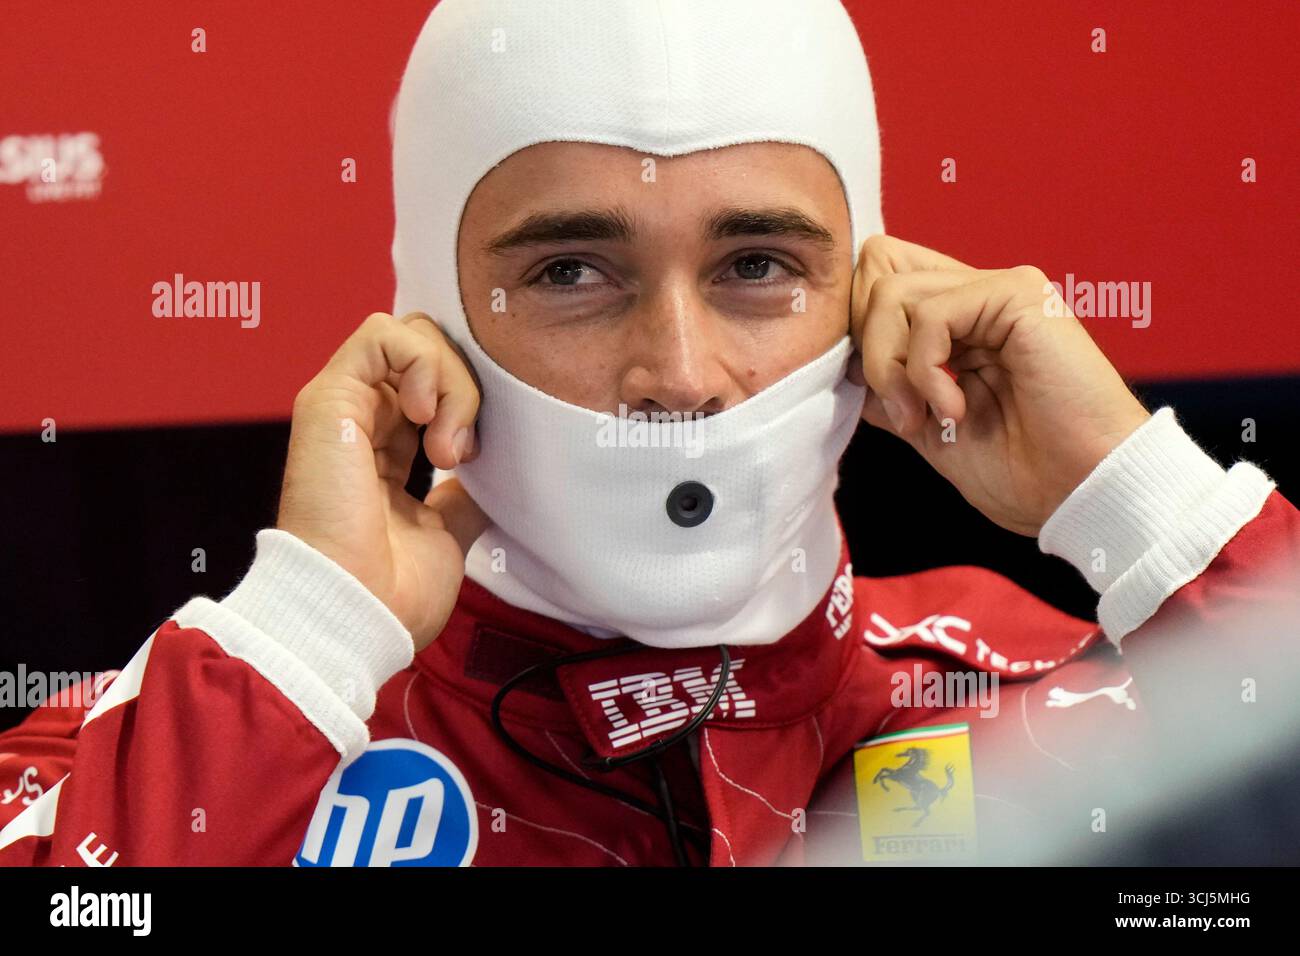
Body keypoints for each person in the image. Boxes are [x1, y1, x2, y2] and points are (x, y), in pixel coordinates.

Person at [2, 0, 1297, 867]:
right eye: (571, 270)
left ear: (873, 288)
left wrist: (1150, 507)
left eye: (757, 264)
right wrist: (302, 638)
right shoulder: (161, 748)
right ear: (426, 325)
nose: (677, 375)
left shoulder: (1077, 708)